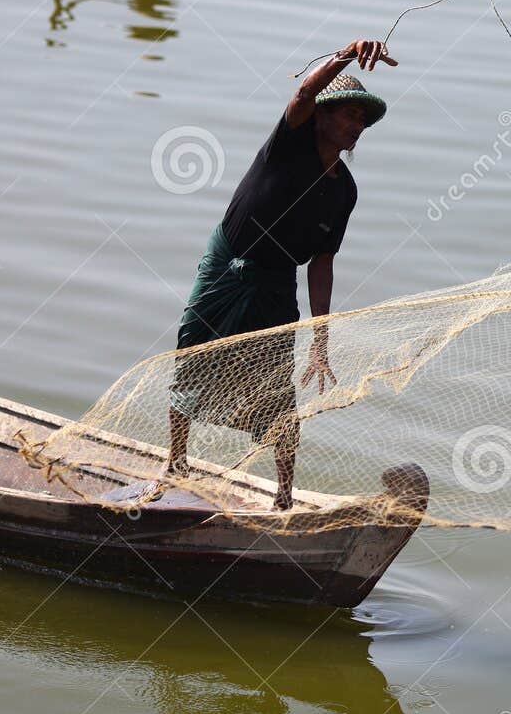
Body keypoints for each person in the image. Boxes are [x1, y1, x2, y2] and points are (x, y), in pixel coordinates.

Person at [163, 40, 396, 511]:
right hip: (229, 265)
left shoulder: (344, 191)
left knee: (275, 389)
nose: (357, 127)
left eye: (362, 121)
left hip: (276, 282)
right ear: (322, 117)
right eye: (349, 115)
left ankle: (284, 497)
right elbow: (303, 95)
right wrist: (348, 53)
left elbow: (322, 262)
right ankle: (175, 462)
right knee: (193, 357)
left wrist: (320, 335)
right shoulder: (289, 144)